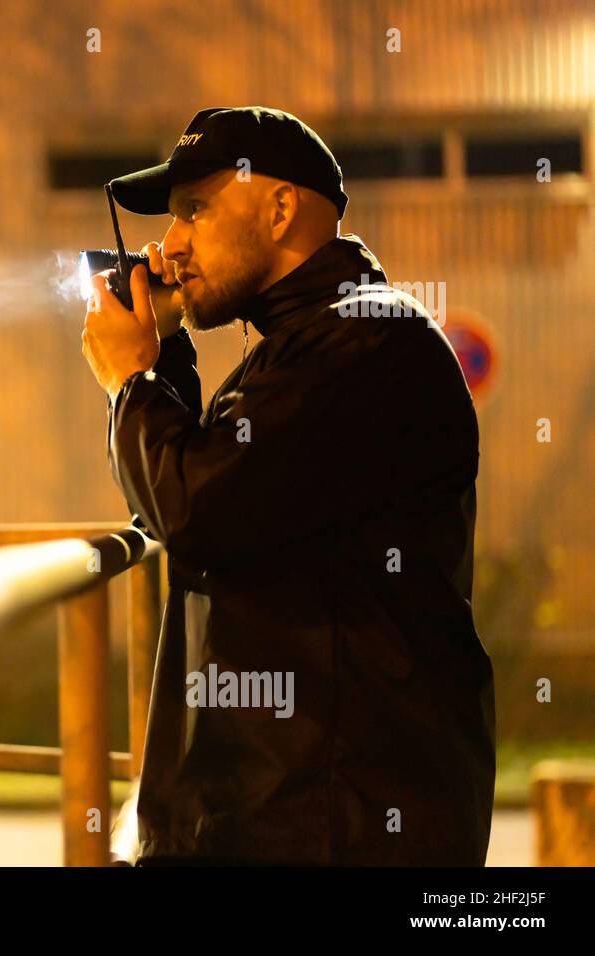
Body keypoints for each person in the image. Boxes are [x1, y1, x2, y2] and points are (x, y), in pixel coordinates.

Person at [81, 106, 495, 865]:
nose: (169, 246)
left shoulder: (365, 342)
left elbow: (192, 507)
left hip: (339, 827)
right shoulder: (302, 348)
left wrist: (132, 377)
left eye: (194, 210)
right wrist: (163, 361)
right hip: (291, 814)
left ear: (279, 209)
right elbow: (201, 504)